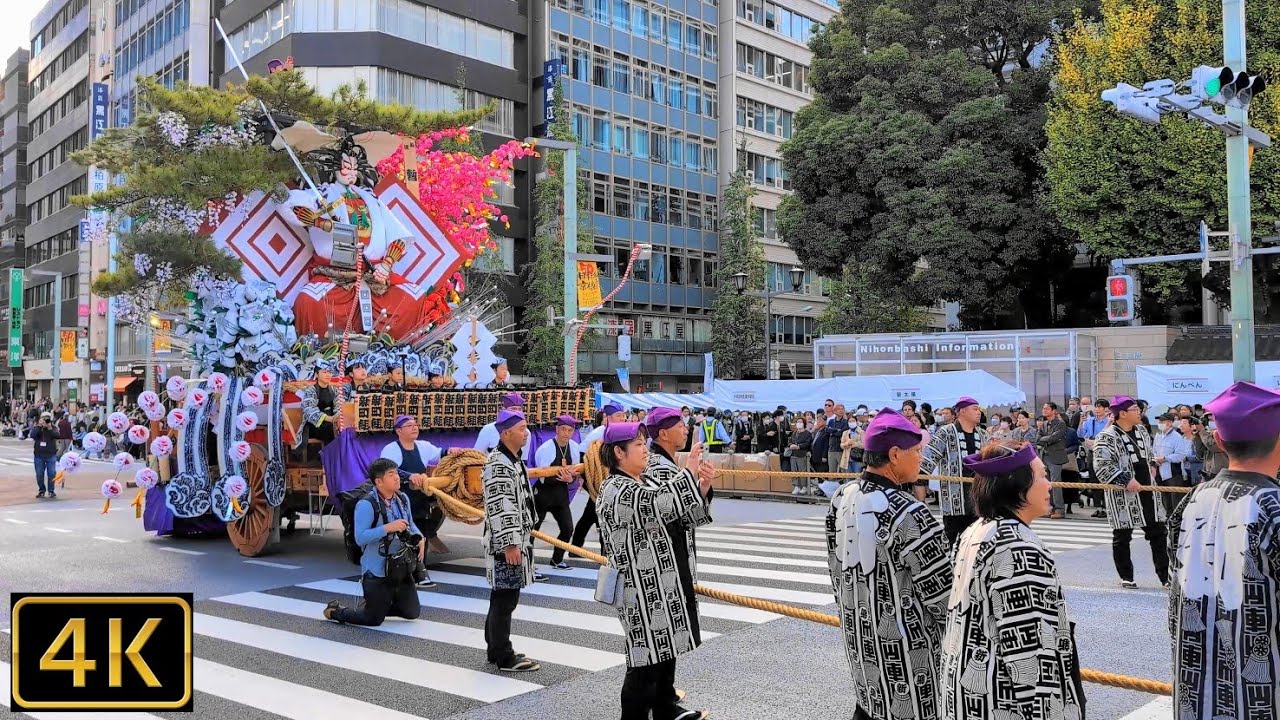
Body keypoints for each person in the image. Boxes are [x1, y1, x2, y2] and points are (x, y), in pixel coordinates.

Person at [939, 442, 1086, 720]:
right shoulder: (1018, 547)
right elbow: (1030, 653)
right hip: (1003, 702)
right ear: (1019, 486)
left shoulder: (976, 530)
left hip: (966, 696)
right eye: (1042, 476)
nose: (1049, 484)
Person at [826, 408, 951, 720]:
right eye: (918, 450)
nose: (922, 457)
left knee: (869, 707)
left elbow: (835, 570)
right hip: (911, 658)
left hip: (862, 643)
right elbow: (944, 599)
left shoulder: (842, 497)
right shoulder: (911, 513)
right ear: (895, 455)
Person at [1167, 381, 1280, 719]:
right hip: (1263, 697)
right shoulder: (1272, 506)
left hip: (1195, 689)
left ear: (1218, 440)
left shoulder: (1192, 500)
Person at [597, 421, 714, 720]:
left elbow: (680, 517)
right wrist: (688, 472)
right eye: (637, 445)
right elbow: (659, 504)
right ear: (618, 453)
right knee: (643, 665)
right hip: (639, 590)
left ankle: (664, 712)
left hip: (659, 586)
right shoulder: (615, 489)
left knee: (659, 659)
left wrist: (700, 486)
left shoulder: (640, 482)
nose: (644, 450)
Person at [324, 458, 425, 626]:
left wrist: (420, 537)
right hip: (377, 572)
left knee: (412, 612)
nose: (397, 478)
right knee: (372, 620)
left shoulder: (402, 498)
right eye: (391, 475)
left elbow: (411, 523)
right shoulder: (366, 505)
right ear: (378, 482)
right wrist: (388, 528)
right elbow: (360, 537)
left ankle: (377, 605)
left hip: (400, 566)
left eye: (397, 473)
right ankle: (336, 611)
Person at [480, 408, 540, 672]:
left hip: (514, 539)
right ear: (506, 433)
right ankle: (504, 656)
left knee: (502, 597)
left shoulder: (513, 459)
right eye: (521, 428)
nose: (525, 432)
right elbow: (500, 505)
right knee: (505, 599)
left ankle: (496, 648)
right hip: (506, 543)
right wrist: (510, 544)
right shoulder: (498, 463)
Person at [1091, 395, 1168, 589]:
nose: (1139, 412)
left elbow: (1148, 453)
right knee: (1122, 536)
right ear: (1122, 414)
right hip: (1122, 495)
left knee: (1159, 534)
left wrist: (1152, 465)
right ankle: (1127, 576)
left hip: (1148, 491)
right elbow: (1101, 466)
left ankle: (1166, 577)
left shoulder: (1141, 430)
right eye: (1134, 409)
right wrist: (1125, 479)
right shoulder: (1106, 436)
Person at [379, 414, 461, 584]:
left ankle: (420, 570)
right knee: (403, 534)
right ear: (398, 431)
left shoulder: (423, 446)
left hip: (419, 497)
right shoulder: (391, 449)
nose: (414, 428)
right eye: (409, 426)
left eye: (415, 425)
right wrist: (410, 476)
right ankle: (402, 571)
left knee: (421, 532)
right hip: (399, 497)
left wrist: (450, 450)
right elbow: (388, 471)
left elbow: (440, 453)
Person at [922, 397, 990, 545]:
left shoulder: (983, 435)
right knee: (951, 540)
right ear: (962, 411)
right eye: (975, 409)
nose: (979, 412)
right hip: (953, 498)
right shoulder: (945, 432)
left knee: (975, 541)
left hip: (978, 497)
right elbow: (928, 458)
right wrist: (918, 481)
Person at [532, 415, 584, 570]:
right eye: (563, 429)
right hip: (543, 494)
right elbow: (541, 475)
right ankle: (527, 563)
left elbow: (575, 473)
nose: (566, 433)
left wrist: (570, 480)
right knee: (532, 530)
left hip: (561, 495)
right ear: (557, 429)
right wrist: (561, 476)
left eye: (570, 430)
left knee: (568, 528)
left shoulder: (574, 447)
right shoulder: (546, 448)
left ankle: (557, 559)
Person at [573, 402, 627, 553]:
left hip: (607, 475)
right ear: (608, 418)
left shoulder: (618, 432)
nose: (622, 418)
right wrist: (587, 477)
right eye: (618, 416)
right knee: (603, 513)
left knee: (590, 513)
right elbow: (581, 452)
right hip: (594, 475)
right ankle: (605, 552)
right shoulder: (600, 432)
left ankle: (576, 547)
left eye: (623, 415)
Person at [1152, 412, 1193, 517]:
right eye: (1159, 421)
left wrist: (1165, 458)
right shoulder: (1158, 436)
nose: (1159, 423)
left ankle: (1176, 519)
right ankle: (1167, 517)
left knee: (1175, 498)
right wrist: (1155, 460)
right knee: (1163, 497)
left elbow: (1181, 455)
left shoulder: (1177, 437)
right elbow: (1153, 450)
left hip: (1173, 472)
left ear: (1170, 423)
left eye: (1162, 421)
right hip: (1159, 471)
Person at [474, 393, 532, 460]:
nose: (517, 412)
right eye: (513, 409)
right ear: (504, 409)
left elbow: (523, 459)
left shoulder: (526, 432)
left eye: (519, 409)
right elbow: (476, 456)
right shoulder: (488, 429)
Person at [1037, 402, 1069, 518]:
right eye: (1043, 408)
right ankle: (1049, 508)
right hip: (1044, 456)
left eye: (1047, 409)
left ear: (1054, 411)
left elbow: (1055, 437)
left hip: (1055, 457)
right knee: (1046, 485)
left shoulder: (1060, 423)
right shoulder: (1044, 424)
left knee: (1056, 484)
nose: (1044, 410)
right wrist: (1046, 439)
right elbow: (1038, 439)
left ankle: (1059, 509)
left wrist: (1045, 439)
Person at [300, 360, 340, 444]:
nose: (328, 375)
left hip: (332, 422)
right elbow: (309, 410)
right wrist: (329, 419)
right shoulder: (311, 391)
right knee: (330, 430)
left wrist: (337, 417)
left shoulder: (334, 390)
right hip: (314, 425)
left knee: (343, 429)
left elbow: (339, 405)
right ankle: (329, 456)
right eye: (324, 372)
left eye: (329, 372)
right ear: (316, 374)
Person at [31, 412, 59, 499]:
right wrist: (39, 426)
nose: (45, 421)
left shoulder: (54, 428)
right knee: (39, 473)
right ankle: (41, 490)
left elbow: (57, 436)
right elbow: (32, 435)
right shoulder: (37, 427)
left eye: (47, 419)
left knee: (52, 473)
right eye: (44, 419)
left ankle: (51, 491)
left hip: (51, 454)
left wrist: (50, 428)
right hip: (39, 454)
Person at [787, 418, 813, 495]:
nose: (798, 424)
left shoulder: (807, 433)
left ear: (804, 423)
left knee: (802, 471)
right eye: (797, 422)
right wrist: (791, 445)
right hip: (793, 454)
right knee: (794, 471)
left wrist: (799, 446)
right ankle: (796, 486)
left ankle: (804, 486)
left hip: (802, 455)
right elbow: (790, 441)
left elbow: (807, 443)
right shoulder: (794, 433)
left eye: (800, 422)